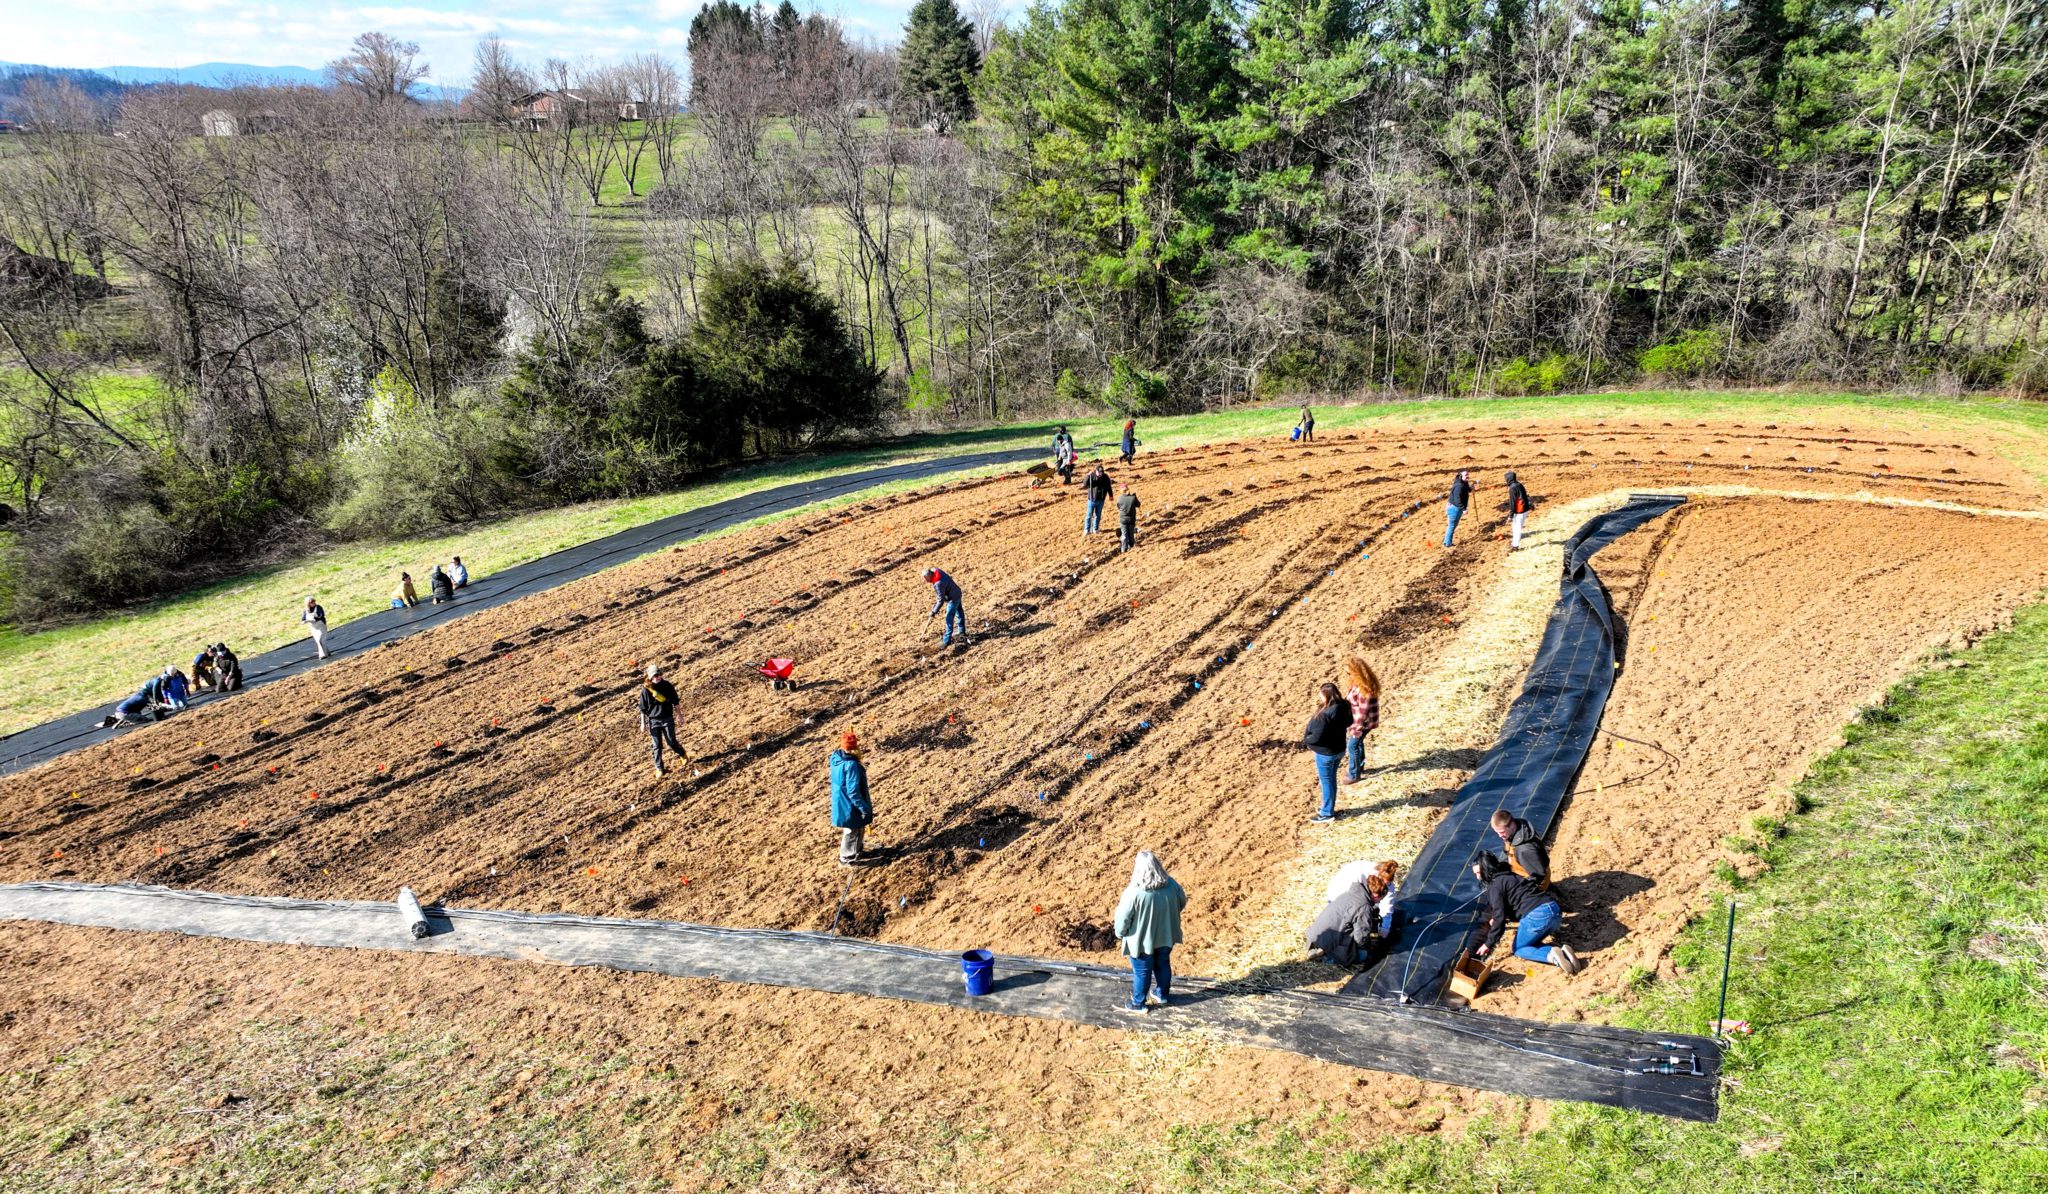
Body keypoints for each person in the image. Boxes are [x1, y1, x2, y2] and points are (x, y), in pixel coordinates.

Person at [1112, 850, 1186, 1013]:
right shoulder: (1171, 884)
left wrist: (1120, 933)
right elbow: (1182, 901)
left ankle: (1138, 1003)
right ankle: (1162, 994)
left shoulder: (1134, 892)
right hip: (1166, 937)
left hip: (1141, 942)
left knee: (1142, 971)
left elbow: (1123, 918)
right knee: (1163, 964)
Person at [1474, 870, 1580, 974]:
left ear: (1486, 869)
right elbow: (1519, 903)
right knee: (1530, 942)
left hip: (1538, 916)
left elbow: (1499, 919)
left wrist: (1488, 944)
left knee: (1519, 949)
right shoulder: (1511, 876)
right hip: (1555, 911)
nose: (1478, 877)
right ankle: (1564, 954)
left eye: (1478, 873)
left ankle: (1552, 956)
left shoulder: (1494, 887)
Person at [1305, 860, 1399, 966]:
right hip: (1339, 906)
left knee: (1341, 921)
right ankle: (1330, 957)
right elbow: (1361, 939)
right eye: (1381, 899)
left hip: (1314, 935)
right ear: (1377, 894)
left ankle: (1321, 946)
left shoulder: (1355, 888)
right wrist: (1372, 944)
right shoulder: (1358, 878)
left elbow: (1387, 909)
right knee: (1362, 953)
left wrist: (1383, 930)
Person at [1303, 682, 1353, 822]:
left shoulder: (1324, 714)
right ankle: (1327, 808)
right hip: (1339, 749)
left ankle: (1326, 813)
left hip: (1326, 753)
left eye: (1320, 693)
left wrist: (1307, 740)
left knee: (1327, 782)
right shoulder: (1344, 706)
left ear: (1325, 695)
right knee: (1330, 780)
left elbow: (1316, 736)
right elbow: (1349, 723)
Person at [1474, 809, 1550, 889]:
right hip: (1522, 873)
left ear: (1511, 825)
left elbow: (1538, 876)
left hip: (1537, 883)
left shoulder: (1524, 849)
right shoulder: (1512, 835)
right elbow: (1507, 855)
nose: (1500, 835)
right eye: (1497, 832)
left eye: (1502, 832)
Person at [829, 731, 873, 865]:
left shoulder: (836, 758)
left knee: (857, 827)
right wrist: (863, 807)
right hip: (850, 804)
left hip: (840, 801)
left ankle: (856, 851)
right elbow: (853, 791)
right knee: (852, 830)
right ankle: (847, 858)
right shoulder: (851, 765)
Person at [638, 662, 686, 777]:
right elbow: (642, 708)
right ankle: (659, 768)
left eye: (658, 674)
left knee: (671, 741)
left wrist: (680, 715)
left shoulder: (667, 685)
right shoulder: (646, 690)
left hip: (667, 718)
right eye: (654, 676)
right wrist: (643, 723)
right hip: (653, 721)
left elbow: (675, 701)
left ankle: (683, 754)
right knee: (657, 746)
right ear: (649, 677)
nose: (657, 677)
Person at [1341, 657, 1381, 785]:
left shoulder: (1365, 690)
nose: (1347, 675)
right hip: (1359, 720)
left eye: (1349, 673)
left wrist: (1356, 728)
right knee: (1358, 744)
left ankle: (1354, 774)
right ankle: (1360, 766)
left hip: (1363, 723)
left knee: (1352, 745)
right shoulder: (1358, 685)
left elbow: (1363, 713)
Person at [925, 567, 968, 647]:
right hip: (957, 592)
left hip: (953, 599)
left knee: (949, 617)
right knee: (959, 612)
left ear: (929, 576)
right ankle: (962, 631)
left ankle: (946, 640)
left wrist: (934, 611)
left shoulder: (938, 583)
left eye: (926, 578)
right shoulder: (936, 570)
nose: (925, 580)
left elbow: (940, 600)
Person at [1444, 469, 1472, 547]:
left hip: (1457, 507)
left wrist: (1471, 489)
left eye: (1467, 475)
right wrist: (1464, 509)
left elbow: (1466, 489)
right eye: (1465, 475)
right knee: (1452, 526)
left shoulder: (1464, 483)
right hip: (1454, 508)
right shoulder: (1458, 486)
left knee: (1453, 526)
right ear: (1460, 476)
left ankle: (1447, 542)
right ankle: (1447, 543)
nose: (1467, 476)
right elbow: (1457, 500)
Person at [1083, 463, 1113, 536]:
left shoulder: (1106, 477)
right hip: (1092, 500)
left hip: (1101, 500)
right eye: (1099, 472)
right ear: (1095, 471)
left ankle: (1095, 529)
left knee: (1098, 515)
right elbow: (1085, 484)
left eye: (1102, 472)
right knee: (1089, 515)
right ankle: (1087, 529)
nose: (1100, 474)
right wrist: (1088, 476)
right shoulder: (1091, 476)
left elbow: (1109, 486)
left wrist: (1110, 495)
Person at [1503, 471, 1530, 549]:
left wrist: (1511, 515)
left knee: (1517, 527)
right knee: (1516, 526)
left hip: (1520, 510)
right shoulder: (1519, 484)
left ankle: (1515, 545)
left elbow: (1512, 502)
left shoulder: (1512, 488)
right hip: (1525, 508)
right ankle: (1514, 542)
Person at [1115, 482, 1140, 552]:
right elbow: (1138, 505)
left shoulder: (1119, 498)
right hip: (1131, 519)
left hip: (1123, 519)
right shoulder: (1133, 498)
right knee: (1131, 534)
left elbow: (1118, 506)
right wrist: (1135, 497)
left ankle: (1123, 548)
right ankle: (1130, 546)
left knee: (1124, 534)